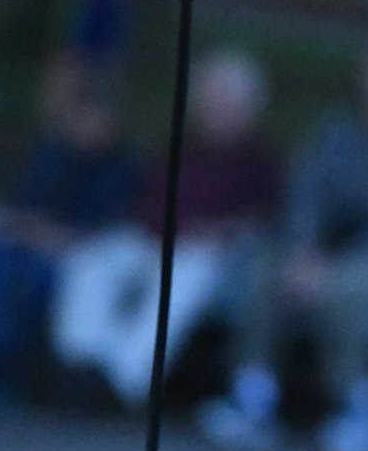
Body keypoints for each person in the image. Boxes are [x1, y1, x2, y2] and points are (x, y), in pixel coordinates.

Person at [197, 26, 368, 451]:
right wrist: (302, 250)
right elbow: (306, 195)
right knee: (268, 270)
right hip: (324, 259)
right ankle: (252, 396)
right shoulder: (339, 132)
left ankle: (366, 410)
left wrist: (331, 269)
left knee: (346, 290)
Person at [51, 47, 282, 407]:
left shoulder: (259, 162)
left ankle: (124, 381)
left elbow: (263, 221)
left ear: (248, 107)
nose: (216, 108)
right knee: (91, 258)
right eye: (211, 98)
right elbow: (145, 199)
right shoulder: (180, 145)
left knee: (186, 275)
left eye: (226, 100)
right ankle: (82, 363)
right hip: (152, 238)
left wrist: (216, 232)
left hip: (212, 257)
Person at [0, 50, 139, 393]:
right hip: (30, 243)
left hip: (78, 256)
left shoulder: (122, 166)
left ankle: (11, 371)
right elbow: (22, 204)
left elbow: (106, 227)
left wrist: (48, 236)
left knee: (35, 279)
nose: (88, 125)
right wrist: (24, 229)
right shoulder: (52, 152)